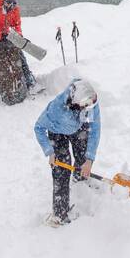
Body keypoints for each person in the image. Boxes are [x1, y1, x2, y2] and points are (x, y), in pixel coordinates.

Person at [34, 78, 100, 225]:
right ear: (76, 103)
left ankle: (80, 183)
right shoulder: (56, 109)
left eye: (92, 104)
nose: (91, 107)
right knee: (61, 169)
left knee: (83, 159)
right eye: (86, 105)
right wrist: (49, 152)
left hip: (79, 127)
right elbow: (38, 127)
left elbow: (95, 130)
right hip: (57, 133)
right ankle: (59, 214)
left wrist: (89, 159)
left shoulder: (91, 102)